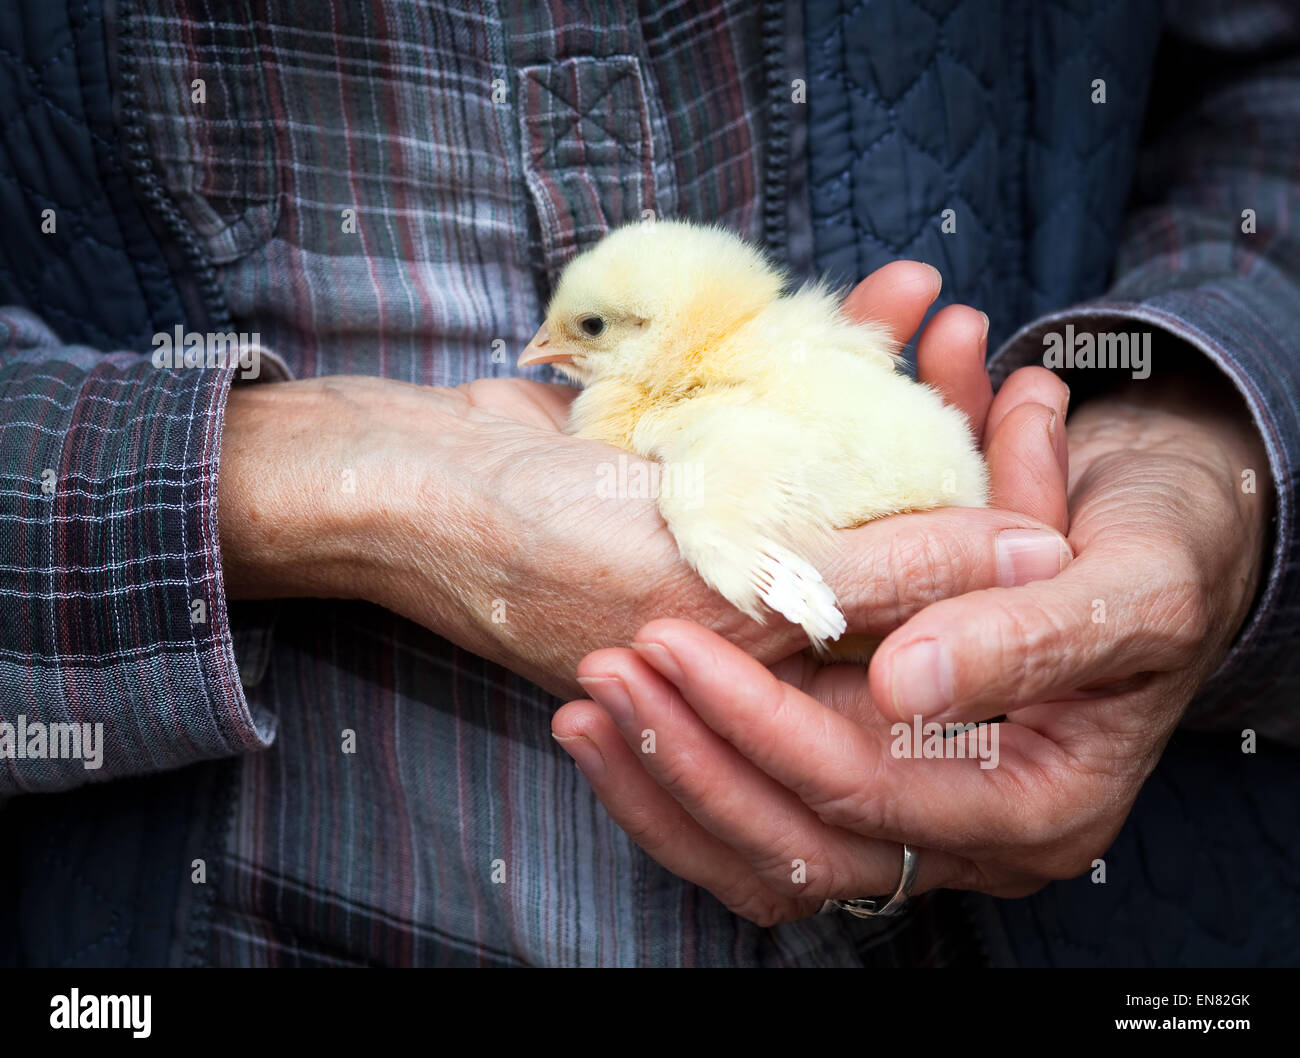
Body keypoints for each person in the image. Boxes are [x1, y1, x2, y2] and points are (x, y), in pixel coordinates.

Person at [0, 0, 1296, 966]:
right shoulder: (786, 352)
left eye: (585, 338)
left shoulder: (696, 437)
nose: (547, 360)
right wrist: (291, 476)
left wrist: (1203, 434)